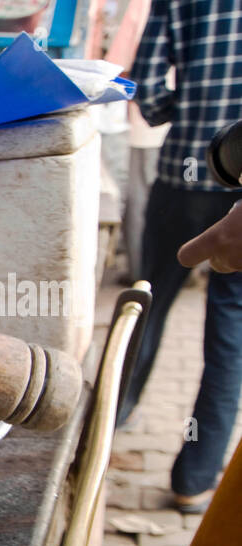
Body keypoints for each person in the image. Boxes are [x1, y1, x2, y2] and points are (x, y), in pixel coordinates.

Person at [119, 0, 242, 513]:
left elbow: (145, 90)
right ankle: (194, 479)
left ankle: (108, 423)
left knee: (144, 303)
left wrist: (185, 106)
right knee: (231, 328)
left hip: (185, 169)